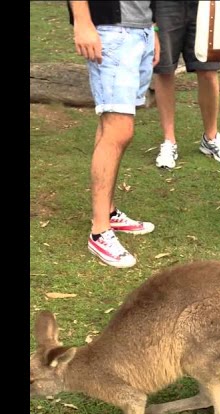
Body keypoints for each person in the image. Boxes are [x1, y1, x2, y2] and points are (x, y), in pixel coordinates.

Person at [68, 0, 160, 269]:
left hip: (139, 29)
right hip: (111, 31)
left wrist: (151, 28)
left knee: (112, 124)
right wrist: (83, 22)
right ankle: (99, 232)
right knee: (119, 130)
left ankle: (107, 213)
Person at [152, 1, 220, 169]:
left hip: (205, 5)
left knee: (209, 70)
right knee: (164, 70)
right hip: (165, 6)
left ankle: (211, 137)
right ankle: (169, 140)